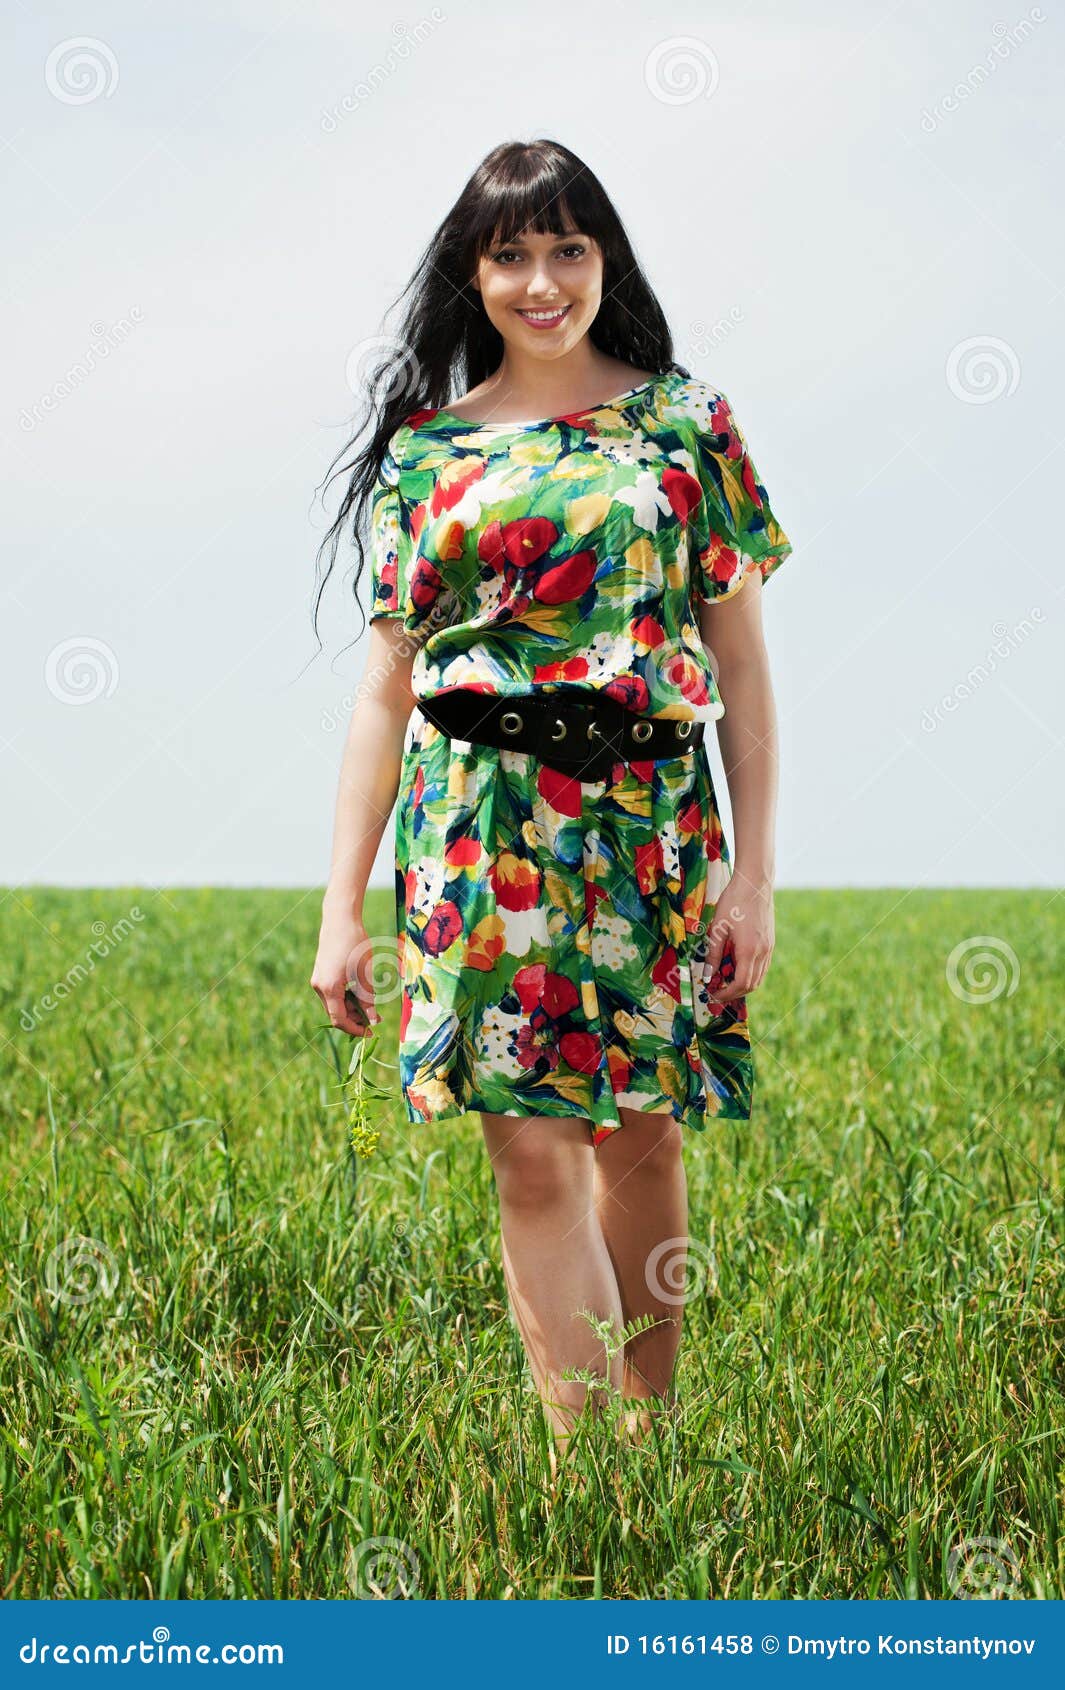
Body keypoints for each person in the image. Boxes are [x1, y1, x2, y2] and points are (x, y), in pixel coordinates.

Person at [310, 137, 793, 1455]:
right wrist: (338, 913)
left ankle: (653, 1437)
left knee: (639, 1138)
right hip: (475, 829)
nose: (541, 280)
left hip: (647, 821)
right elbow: (383, 692)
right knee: (529, 1154)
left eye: (567, 249)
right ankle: (584, 1479)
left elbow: (741, 672)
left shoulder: (687, 426)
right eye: (511, 252)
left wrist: (752, 874)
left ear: (603, 261)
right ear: (470, 274)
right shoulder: (428, 455)